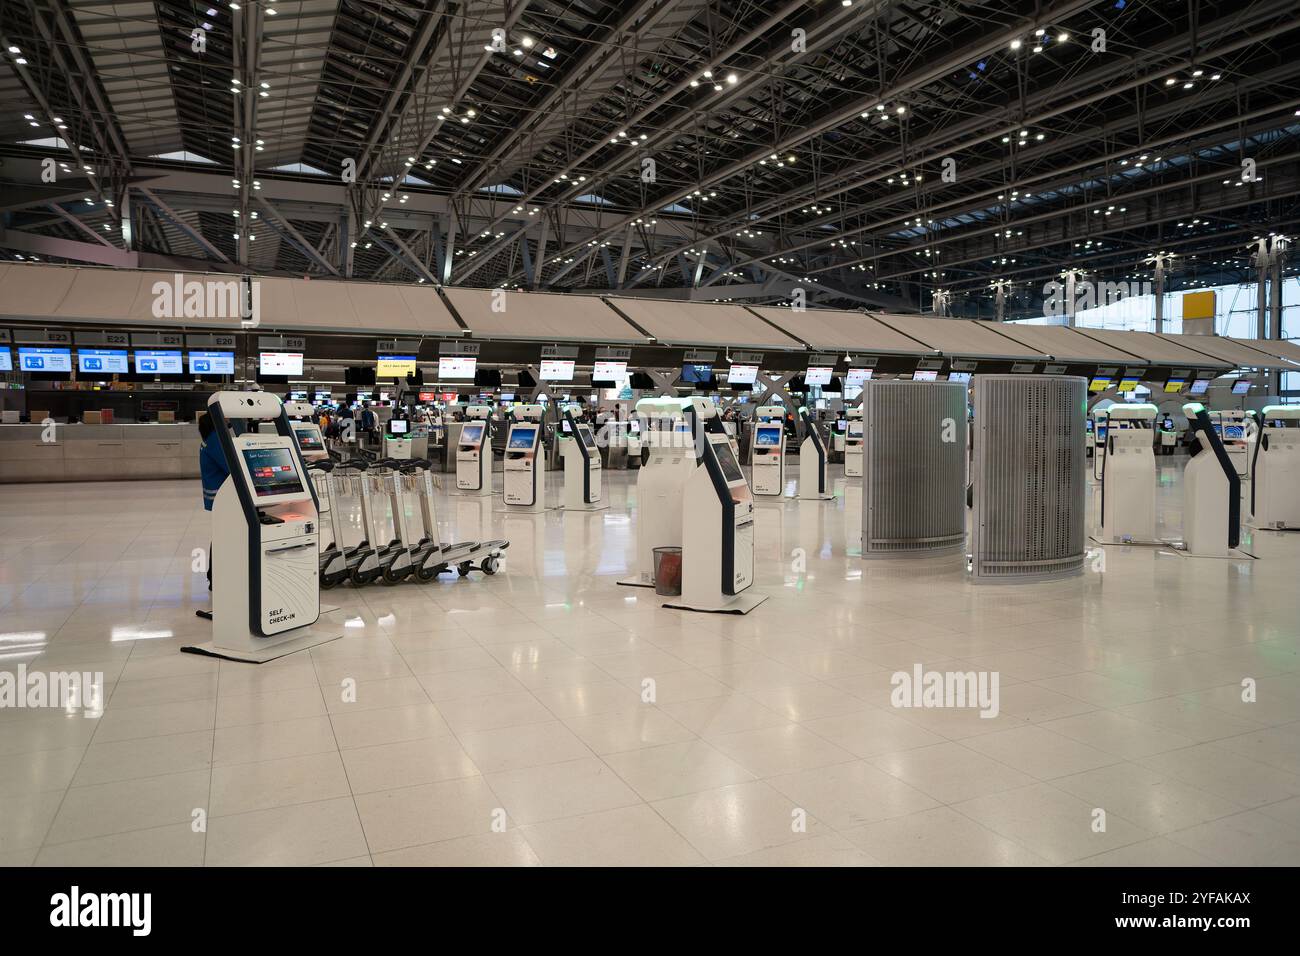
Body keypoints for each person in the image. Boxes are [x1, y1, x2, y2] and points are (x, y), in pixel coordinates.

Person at [198, 411, 229, 591]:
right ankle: (216, 576)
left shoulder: (209, 438)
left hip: (216, 494)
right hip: (223, 495)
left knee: (220, 535)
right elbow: (230, 465)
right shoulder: (216, 440)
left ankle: (215, 576)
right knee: (223, 536)